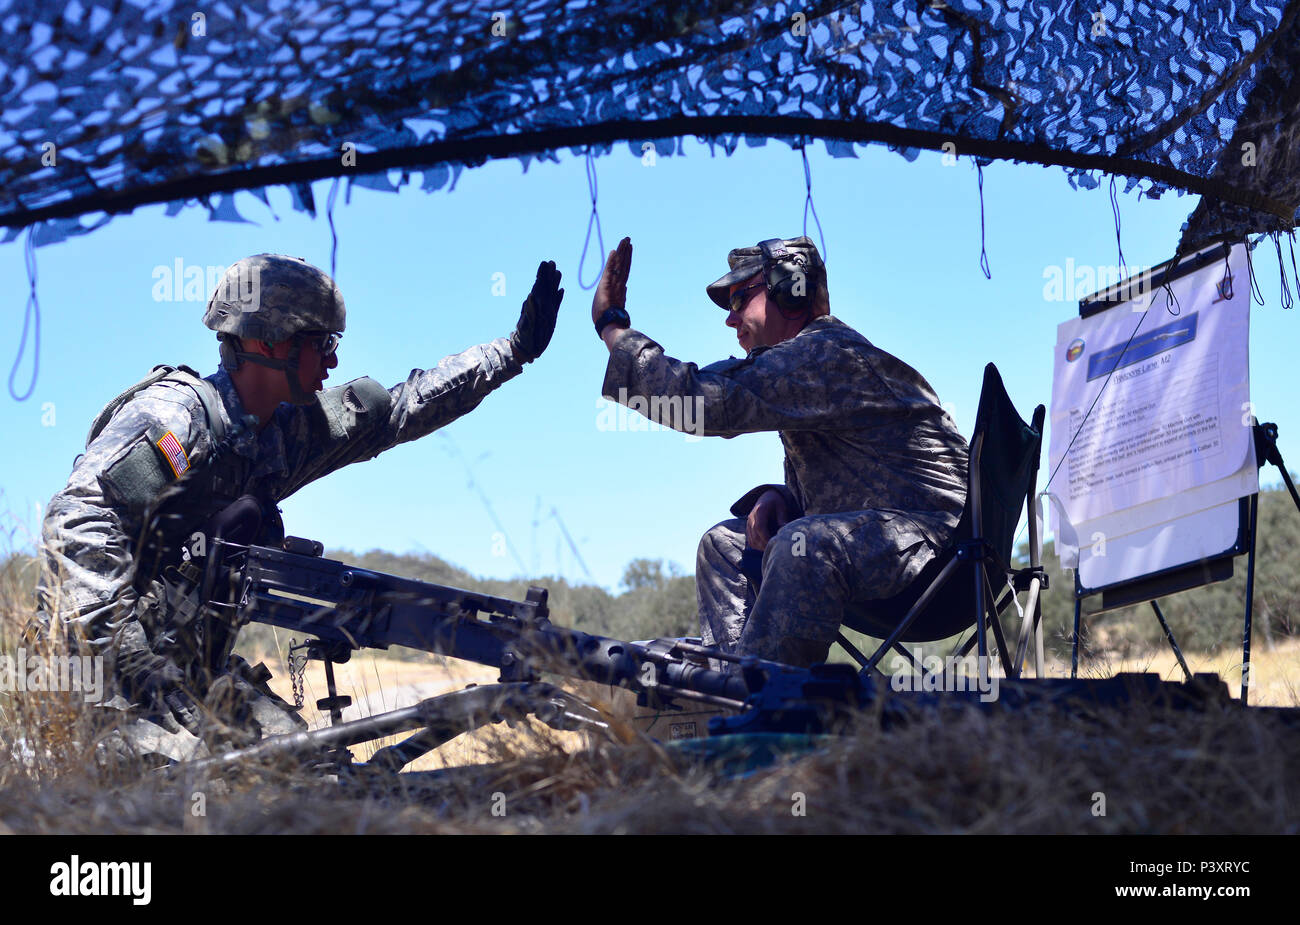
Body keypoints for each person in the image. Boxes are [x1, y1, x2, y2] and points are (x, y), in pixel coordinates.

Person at [34, 253, 563, 762]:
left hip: (191, 674)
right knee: (211, 794)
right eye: (321, 342)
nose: (333, 359)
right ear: (267, 341)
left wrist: (513, 351)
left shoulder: (287, 432)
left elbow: (403, 407)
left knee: (310, 771)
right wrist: (124, 656)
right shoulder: (178, 417)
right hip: (96, 677)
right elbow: (76, 521)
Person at [591, 235, 968, 667]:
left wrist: (613, 328)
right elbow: (863, 481)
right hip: (897, 546)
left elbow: (700, 401)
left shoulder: (823, 355)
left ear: (791, 290)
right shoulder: (810, 362)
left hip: (942, 555)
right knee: (723, 546)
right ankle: (730, 686)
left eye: (739, 300)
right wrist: (784, 497)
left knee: (801, 544)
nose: (730, 321)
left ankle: (768, 710)